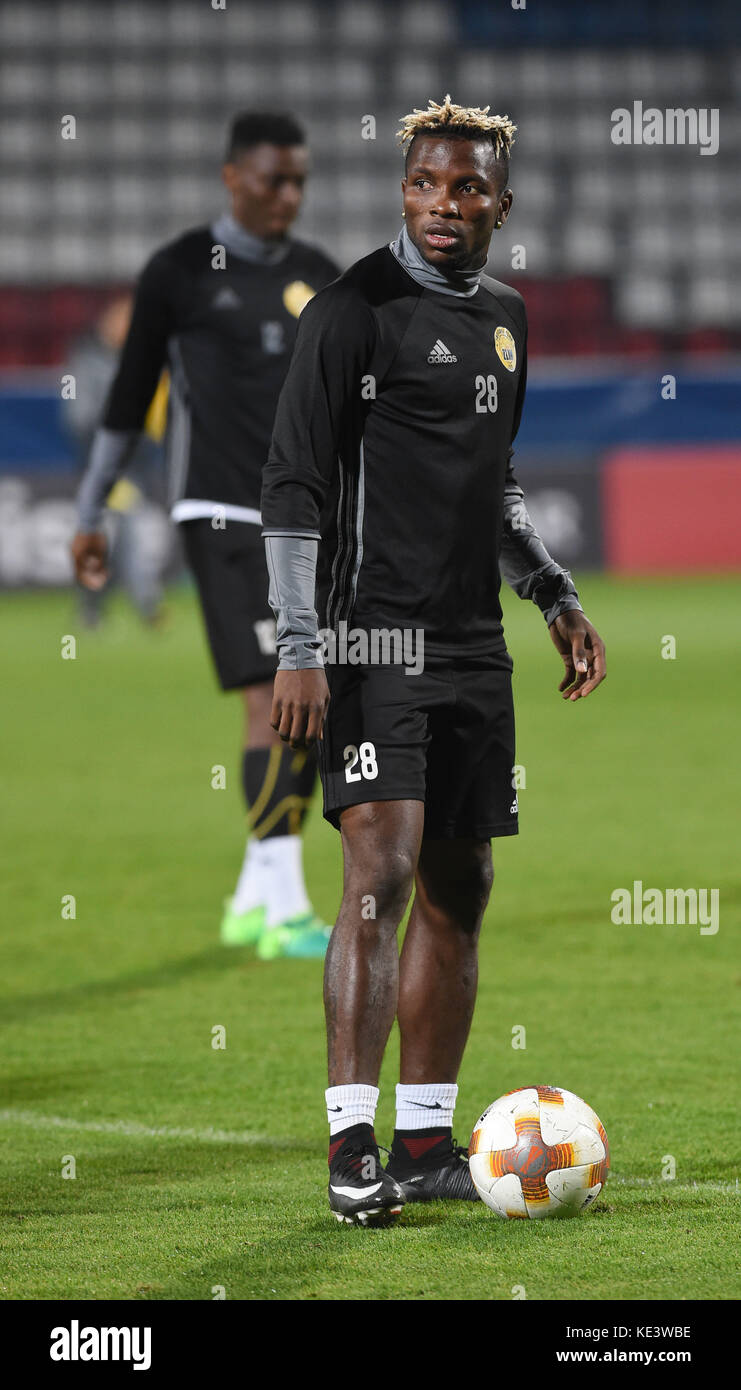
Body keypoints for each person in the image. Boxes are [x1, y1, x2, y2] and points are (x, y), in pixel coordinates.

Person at [260, 96, 606, 1224]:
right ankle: (351, 1139)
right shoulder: (352, 311)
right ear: (400, 189)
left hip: (471, 641)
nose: (442, 205)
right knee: (383, 874)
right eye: (423, 184)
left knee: (464, 886)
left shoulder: (507, 317)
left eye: (465, 188)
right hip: (368, 633)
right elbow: (296, 487)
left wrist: (549, 589)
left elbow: (494, 487)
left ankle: (422, 1141)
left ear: (502, 201)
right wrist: (300, 643)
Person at [71, 111, 340, 959]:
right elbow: (126, 401)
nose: (287, 196)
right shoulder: (180, 272)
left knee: (304, 702)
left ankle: (252, 898)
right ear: (233, 177)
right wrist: (87, 511)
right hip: (220, 512)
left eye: (298, 180)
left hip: (305, 521)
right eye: (272, 180)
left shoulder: (320, 277)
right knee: (275, 697)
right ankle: (287, 904)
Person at [64, 294, 169, 627]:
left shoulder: (142, 362)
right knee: (120, 531)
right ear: (107, 322)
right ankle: (144, 603)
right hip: (101, 465)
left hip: (133, 467)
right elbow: (78, 416)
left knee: (118, 532)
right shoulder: (86, 360)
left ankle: (94, 607)